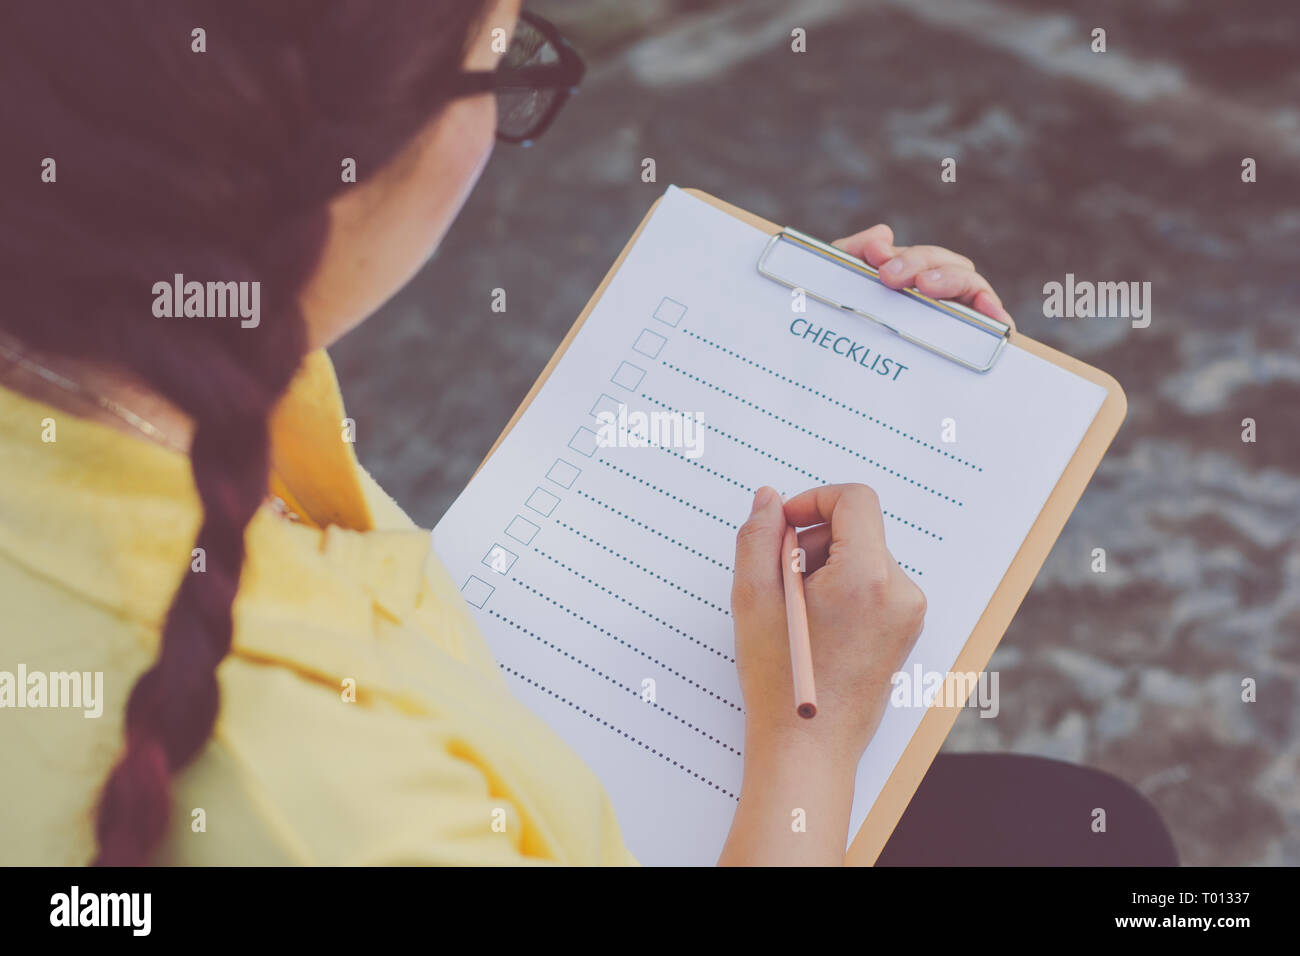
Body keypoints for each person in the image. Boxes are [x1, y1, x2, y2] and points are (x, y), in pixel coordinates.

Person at [0, 1, 1173, 866]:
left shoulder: (110, 344)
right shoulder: (324, 809)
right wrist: (810, 738)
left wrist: (799, 365)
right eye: (502, 59)